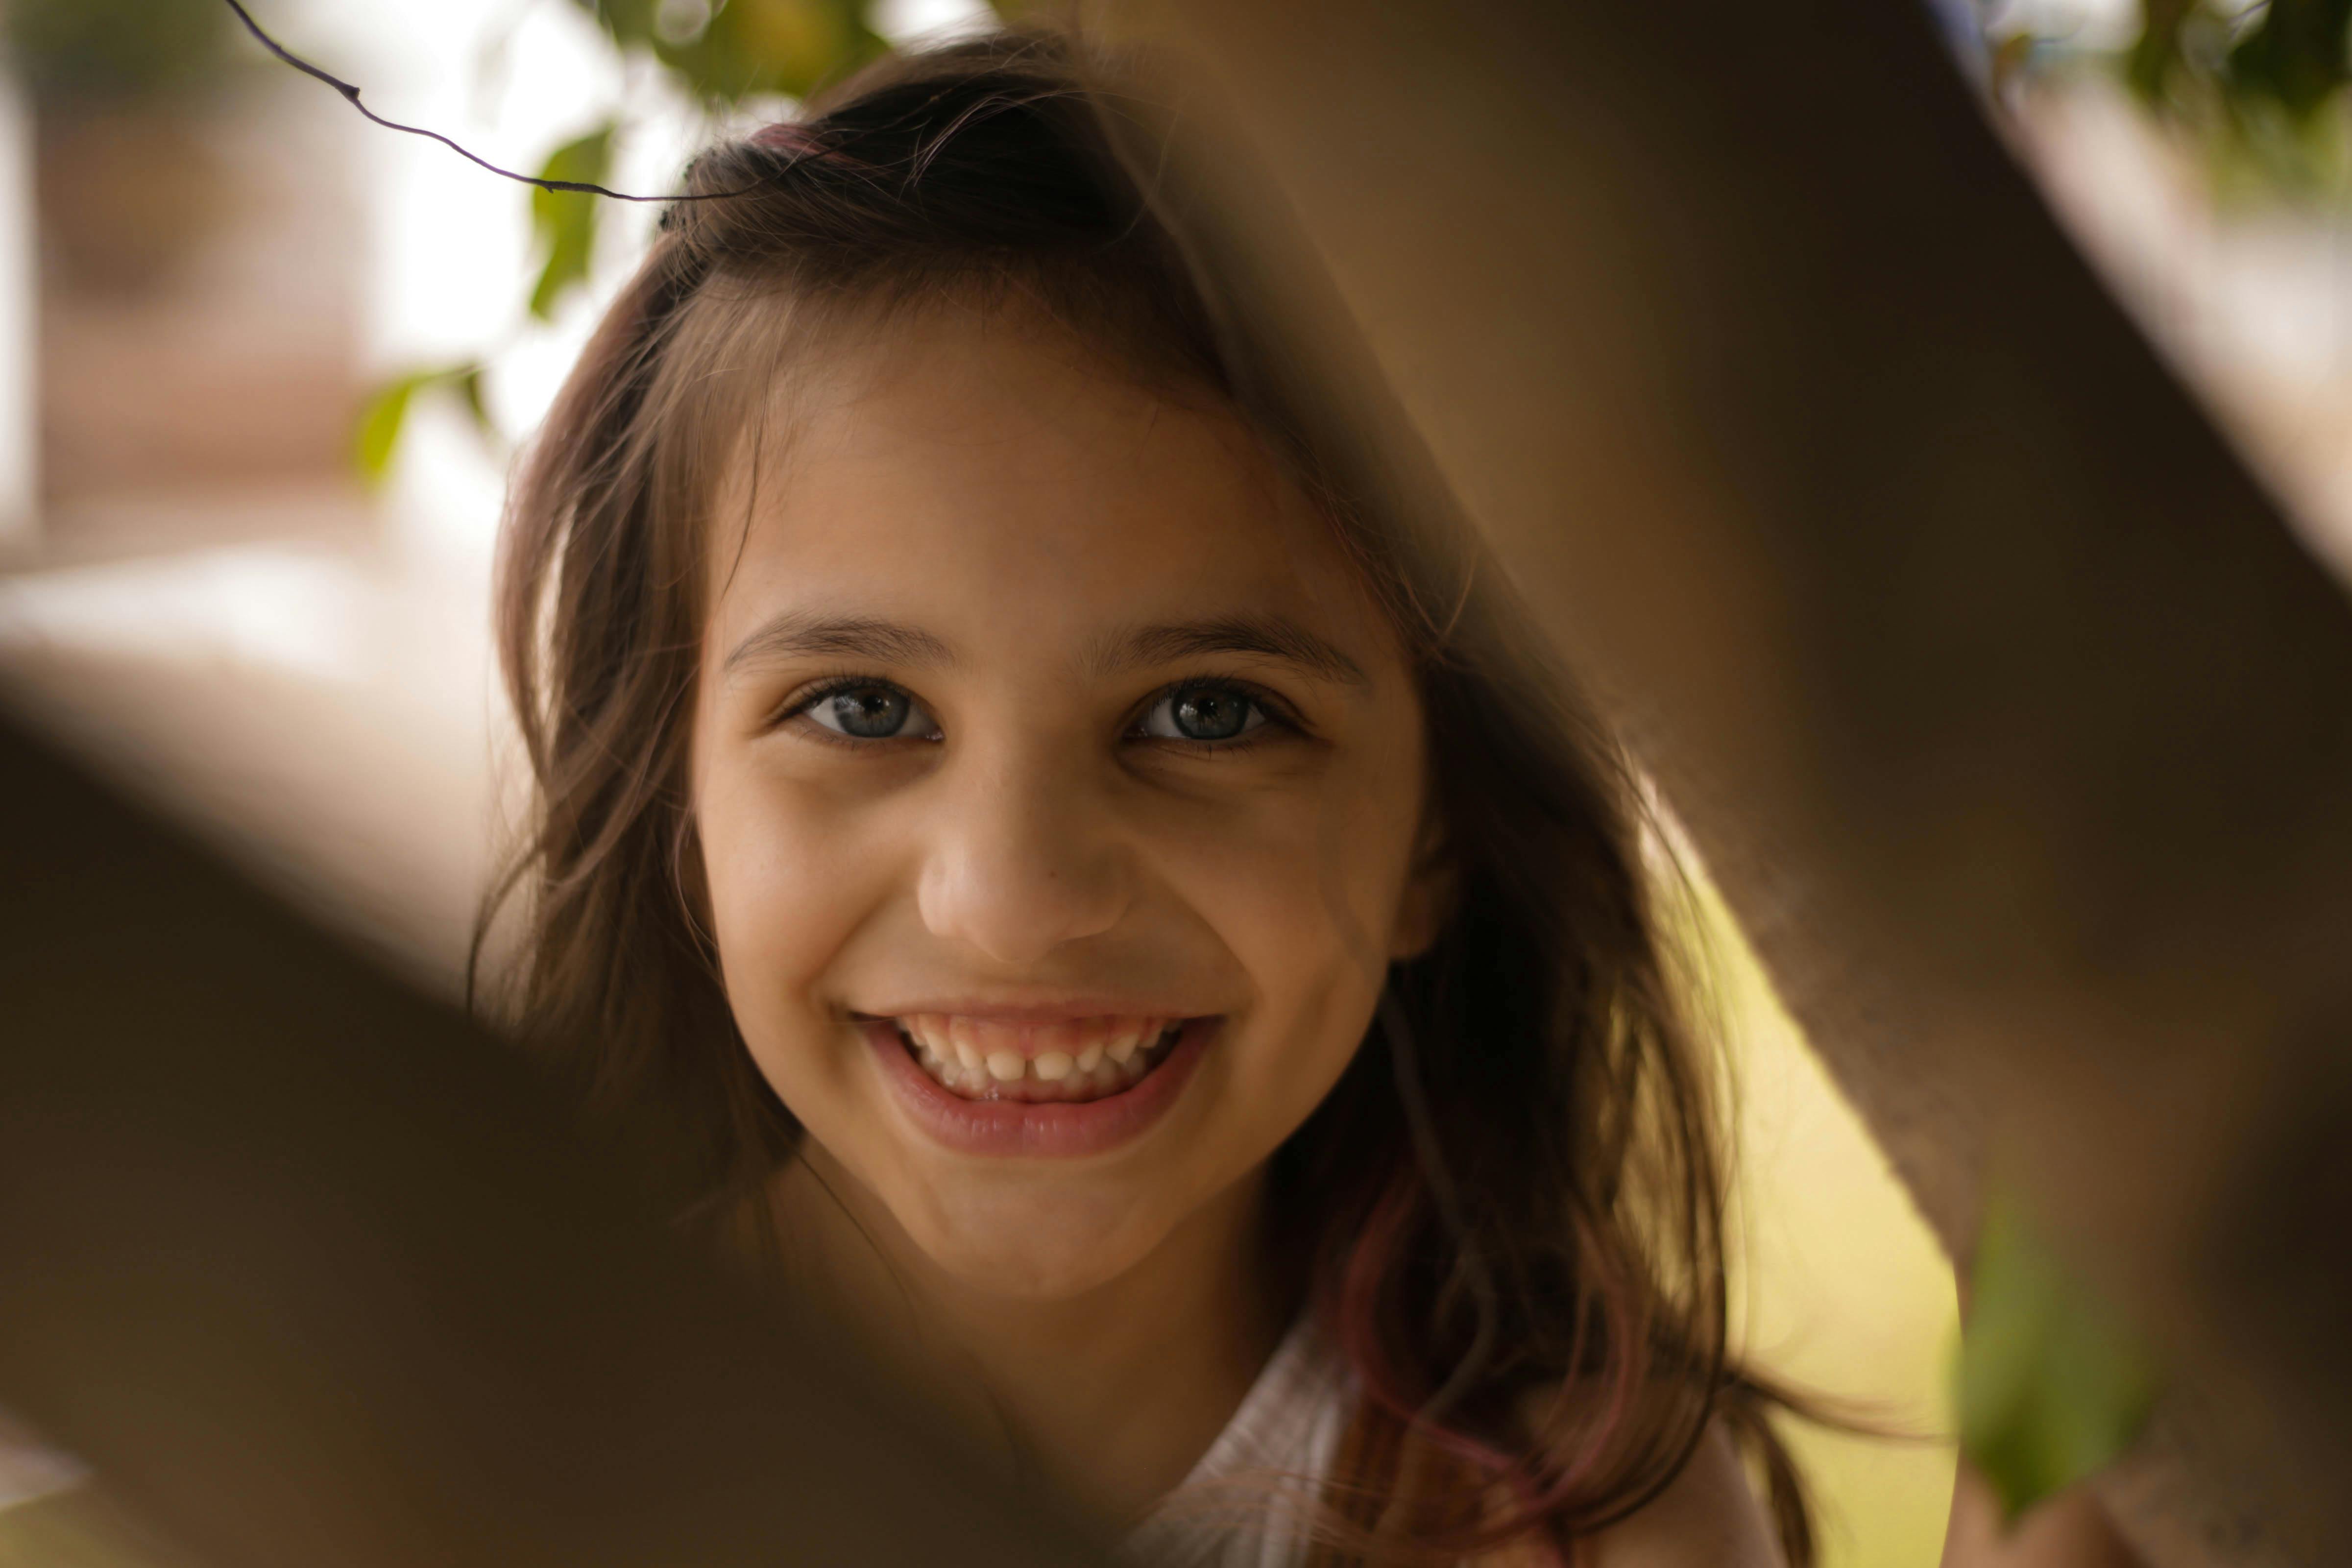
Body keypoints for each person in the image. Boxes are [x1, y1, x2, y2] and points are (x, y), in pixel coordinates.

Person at [482, 27, 1803, 1568]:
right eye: (863, 708)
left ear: (1441, 822)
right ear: (677, 792)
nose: (1014, 895)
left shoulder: (1571, 1525)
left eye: (1206, 713)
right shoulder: (475, 1459)